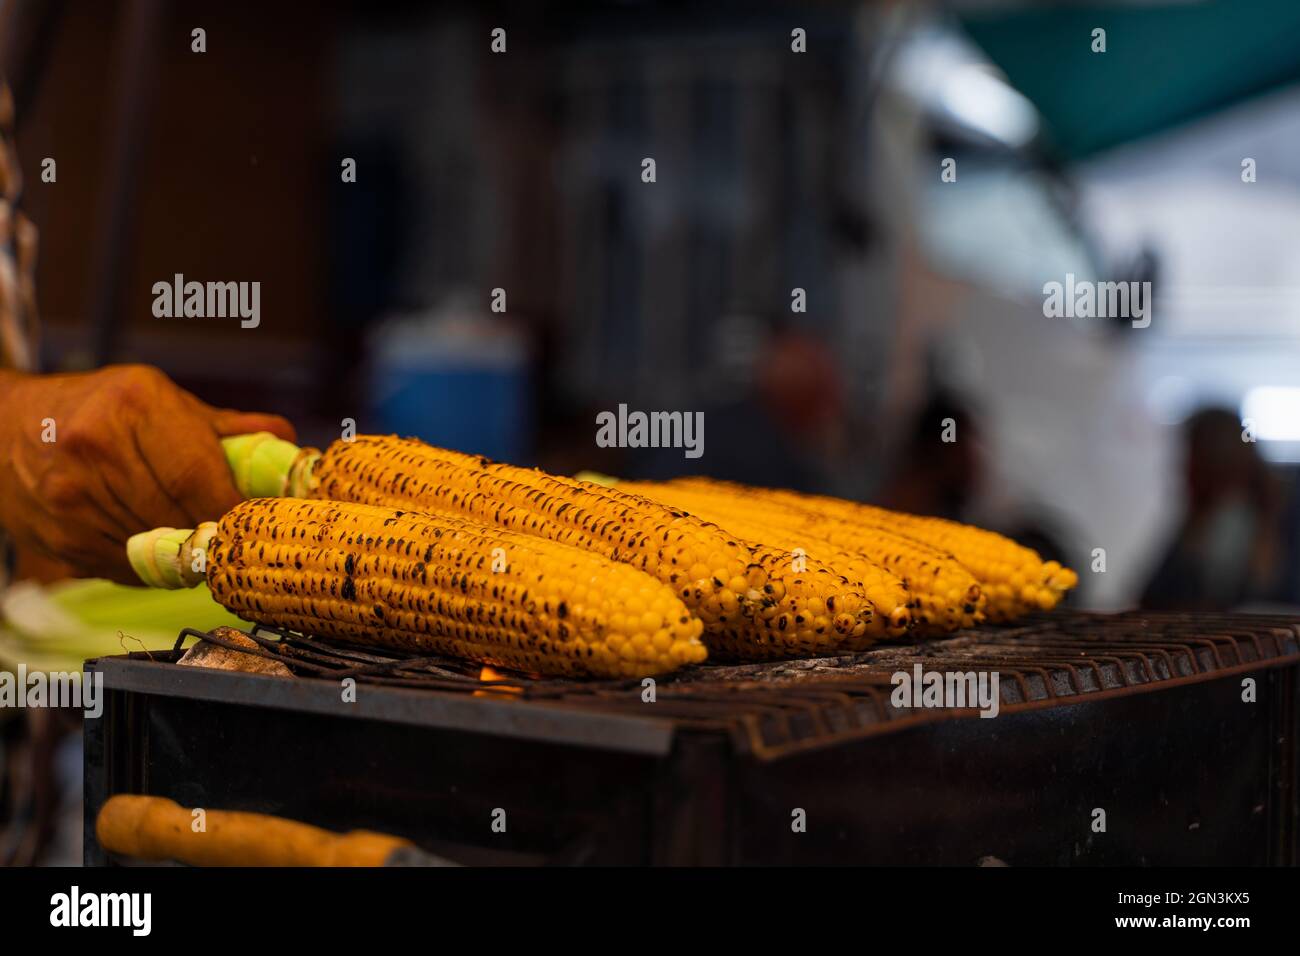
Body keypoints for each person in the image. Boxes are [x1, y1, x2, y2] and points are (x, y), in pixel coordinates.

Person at [1141, 408, 1282, 611]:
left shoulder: (1283, 516)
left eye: (1193, 456)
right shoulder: (1195, 521)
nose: (1183, 469)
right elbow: (1152, 598)